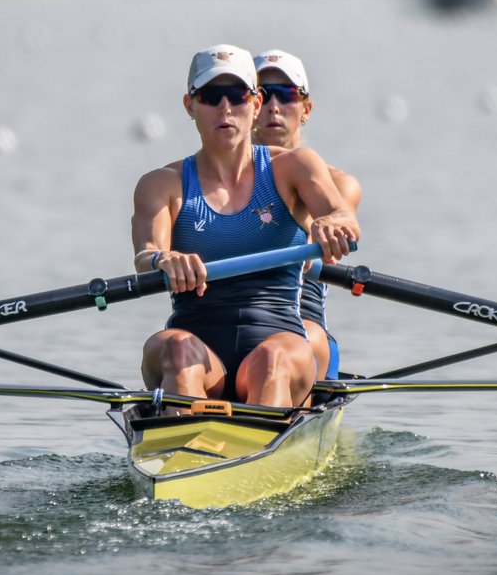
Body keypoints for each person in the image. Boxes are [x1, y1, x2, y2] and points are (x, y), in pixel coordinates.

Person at [133, 44, 360, 409]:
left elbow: (344, 216)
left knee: (273, 363)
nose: (225, 109)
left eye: (237, 95)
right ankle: (185, 450)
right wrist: (163, 260)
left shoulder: (295, 167)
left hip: (279, 338)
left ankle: (251, 453)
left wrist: (333, 224)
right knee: (173, 347)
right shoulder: (161, 184)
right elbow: (145, 254)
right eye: (211, 96)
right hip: (197, 346)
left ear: (254, 105)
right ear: (190, 105)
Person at [252, 49, 361, 381]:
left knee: (281, 353)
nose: (274, 106)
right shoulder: (215, 181)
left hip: (301, 319)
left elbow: (339, 220)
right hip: (225, 315)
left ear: (306, 109)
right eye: (262, 95)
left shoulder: (339, 183)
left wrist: (330, 224)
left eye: (286, 96)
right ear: (250, 105)